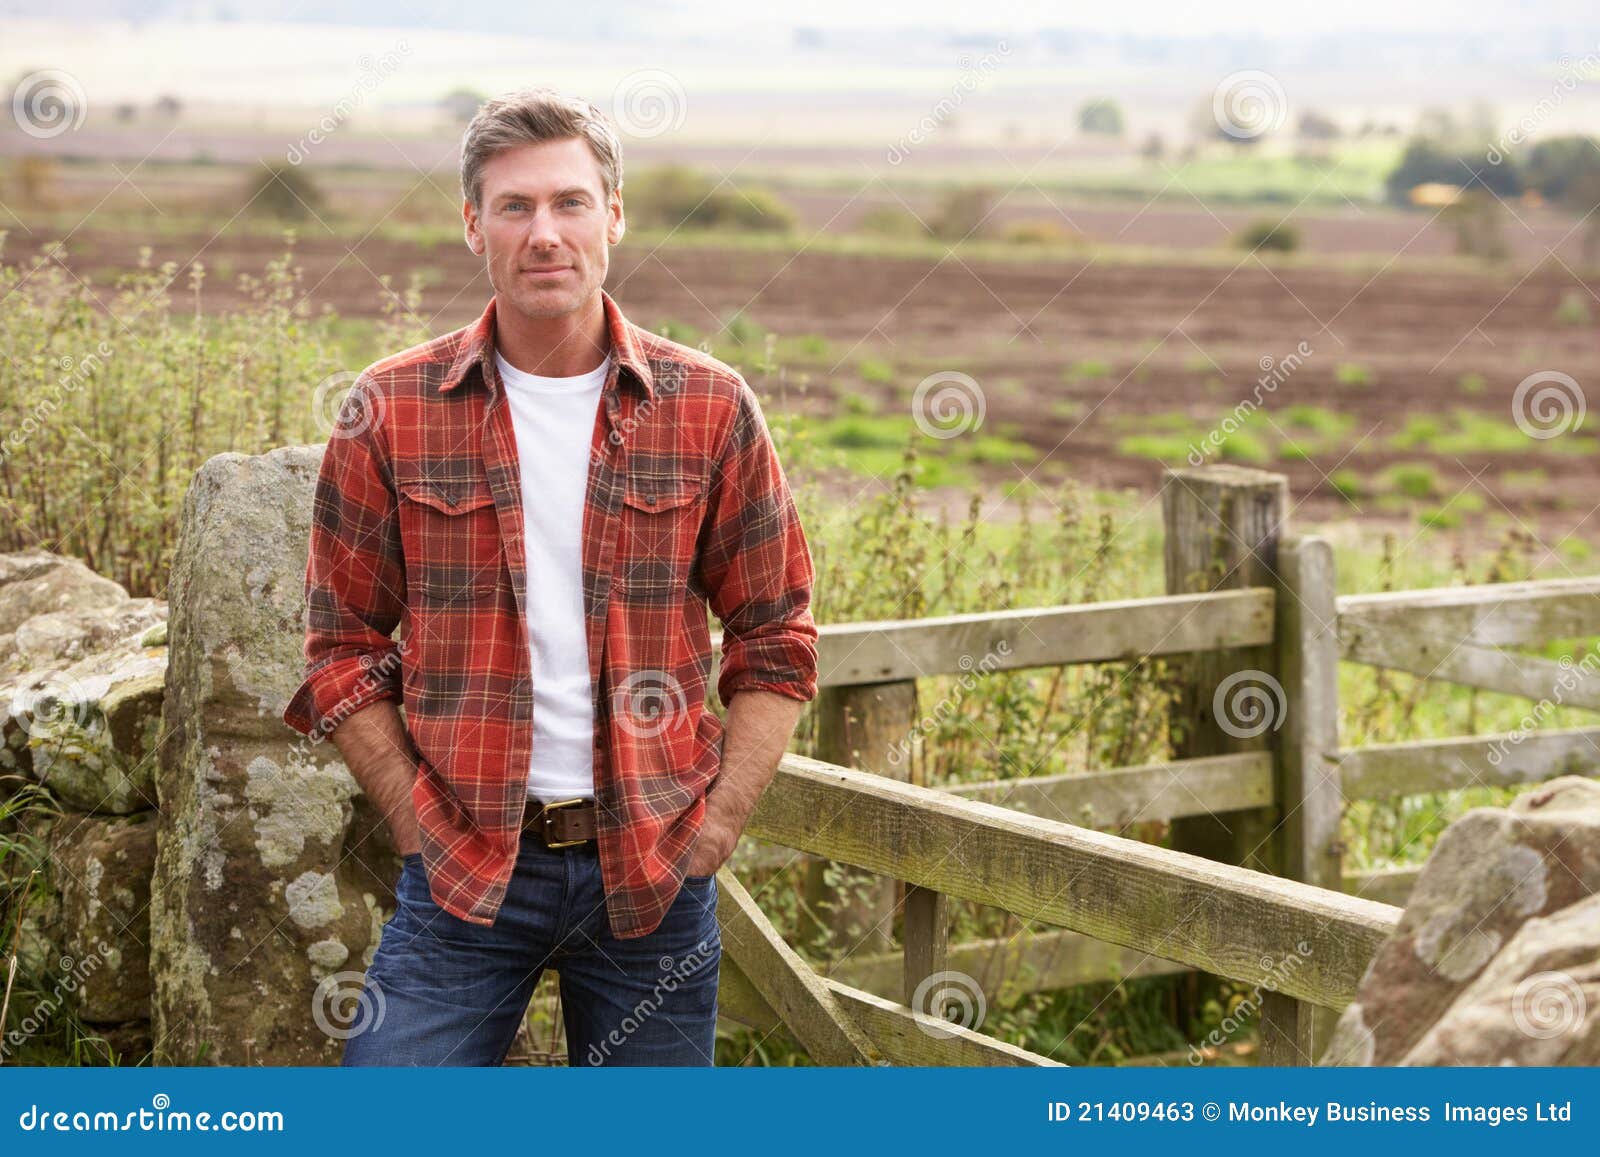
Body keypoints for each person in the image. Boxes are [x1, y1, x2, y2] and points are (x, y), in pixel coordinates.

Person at [281, 86, 819, 1066]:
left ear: (613, 217)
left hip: (654, 868)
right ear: (472, 225)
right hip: (464, 875)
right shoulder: (390, 407)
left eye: (570, 202)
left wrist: (720, 821)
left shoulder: (708, 406)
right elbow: (341, 643)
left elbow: (776, 632)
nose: (544, 233)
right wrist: (413, 818)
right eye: (515, 206)